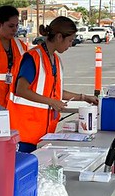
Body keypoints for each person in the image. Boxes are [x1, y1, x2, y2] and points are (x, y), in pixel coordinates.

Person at [8, 17, 99, 153]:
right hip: (25, 134)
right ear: (59, 37)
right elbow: (21, 90)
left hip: (43, 134)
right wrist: (52, 102)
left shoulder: (55, 59)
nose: (70, 45)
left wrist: (84, 97)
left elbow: (54, 92)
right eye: (69, 40)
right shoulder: (33, 58)